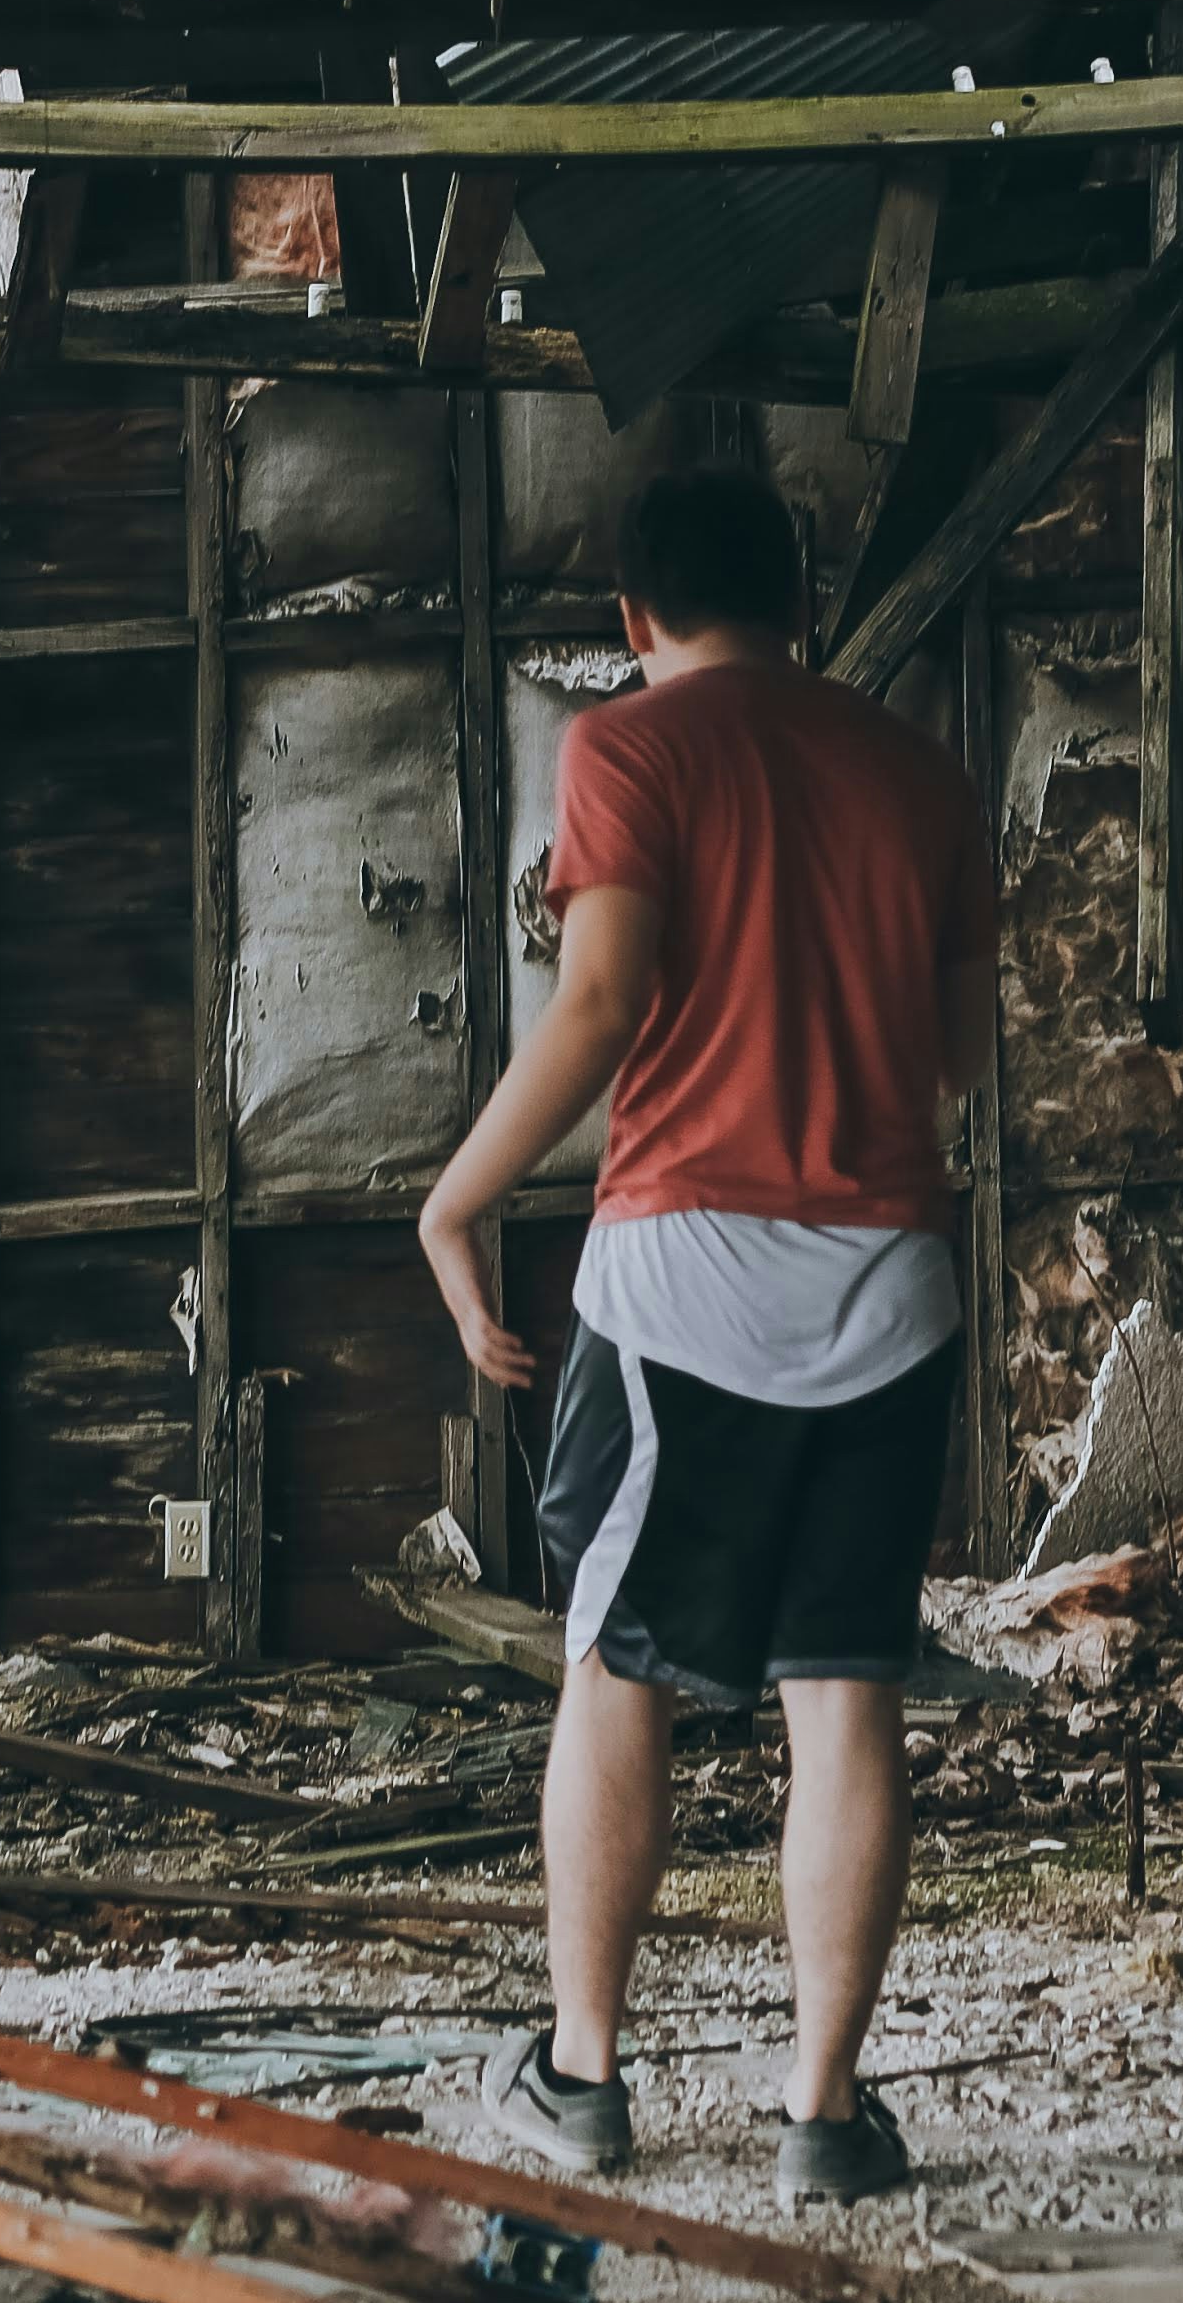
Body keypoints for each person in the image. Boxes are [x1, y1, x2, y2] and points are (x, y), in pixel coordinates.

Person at [416, 463, 995, 2208]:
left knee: (617, 1667)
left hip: (688, 1280)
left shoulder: (626, 748)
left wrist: (452, 1203)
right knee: (846, 1690)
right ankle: (822, 2113)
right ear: (802, 602)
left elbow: (598, 999)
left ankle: (584, 2073)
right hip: (892, 1281)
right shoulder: (922, 774)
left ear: (631, 616)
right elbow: (960, 1056)